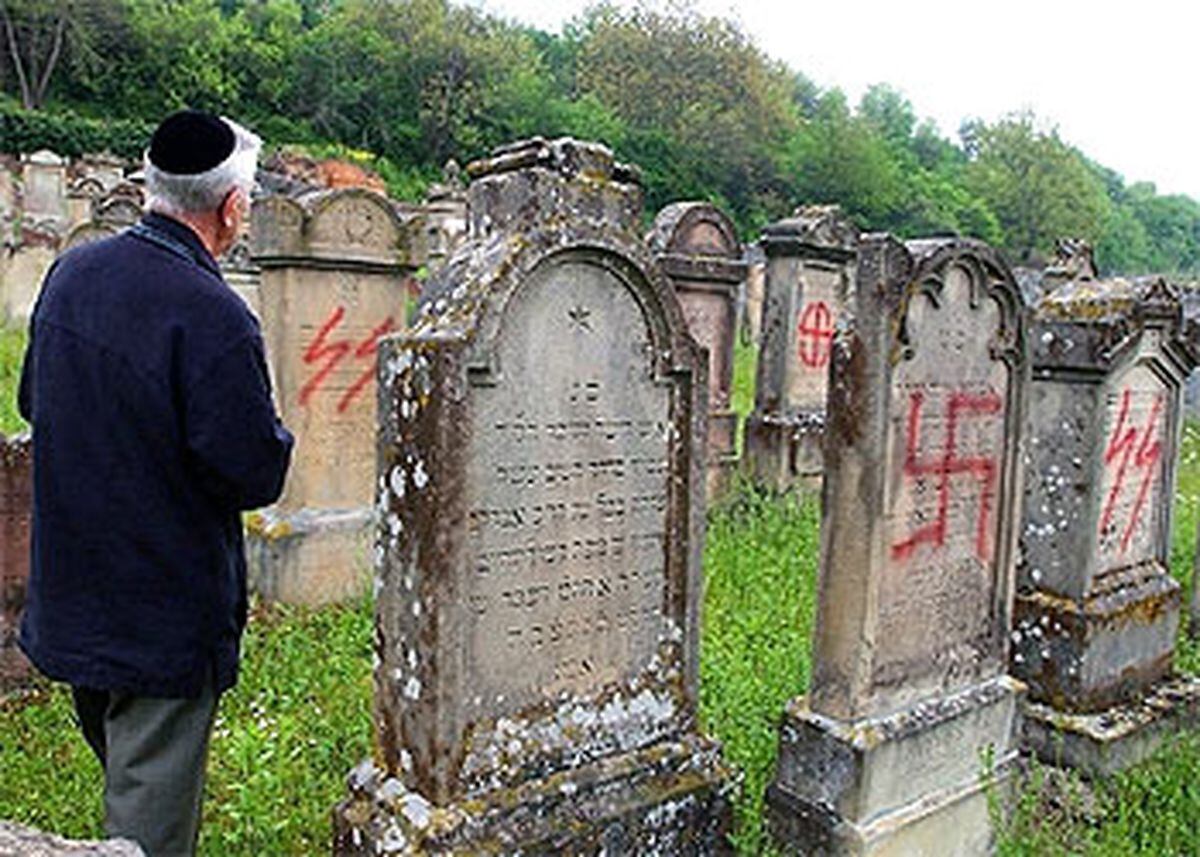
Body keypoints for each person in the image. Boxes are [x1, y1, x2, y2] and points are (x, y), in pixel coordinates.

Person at [17, 110, 294, 857]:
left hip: (74, 594)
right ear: (231, 207)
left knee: (127, 776)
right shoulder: (215, 316)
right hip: (159, 620)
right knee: (147, 834)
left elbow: (31, 401)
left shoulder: (71, 274)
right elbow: (252, 471)